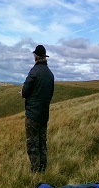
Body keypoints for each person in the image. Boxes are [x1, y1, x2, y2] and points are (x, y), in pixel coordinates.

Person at [20, 44, 55, 173]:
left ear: (36, 57)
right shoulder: (50, 74)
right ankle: (43, 169)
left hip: (33, 114)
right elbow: (50, 94)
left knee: (32, 144)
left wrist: (22, 93)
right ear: (44, 57)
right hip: (44, 114)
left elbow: (25, 92)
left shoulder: (34, 72)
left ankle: (35, 173)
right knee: (42, 143)